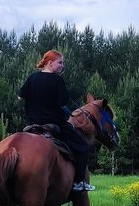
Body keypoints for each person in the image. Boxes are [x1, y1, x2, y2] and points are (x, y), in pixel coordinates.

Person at [18, 50, 95, 192]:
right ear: (49, 62)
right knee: (83, 147)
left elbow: (20, 97)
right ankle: (78, 183)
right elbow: (62, 103)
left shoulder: (32, 78)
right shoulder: (57, 81)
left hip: (32, 124)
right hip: (54, 123)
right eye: (60, 62)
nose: (62, 66)